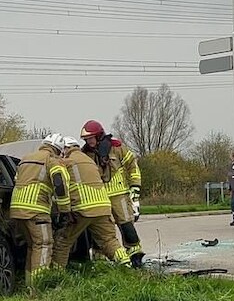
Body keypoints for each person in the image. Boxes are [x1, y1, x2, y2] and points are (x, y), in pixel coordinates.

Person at [51, 137, 132, 269]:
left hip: (82, 208)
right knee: (109, 241)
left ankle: (57, 274)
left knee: (63, 241)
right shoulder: (89, 161)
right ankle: (125, 264)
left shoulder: (65, 162)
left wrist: (63, 210)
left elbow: (60, 184)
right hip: (103, 207)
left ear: (66, 148)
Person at [79, 120, 145, 267]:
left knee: (126, 224)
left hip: (119, 194)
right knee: (101, 229)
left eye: (91, 138)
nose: (89, 142)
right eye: (86, 140)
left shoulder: (116, 147)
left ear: (99, 136)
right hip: (99, 197)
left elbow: (132, 166)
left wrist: (135, 187)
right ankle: (101, 259)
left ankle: (135, 253)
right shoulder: (85, 154)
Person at [8, 134, 71, 280]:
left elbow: (16, 180)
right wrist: (64, 210)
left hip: (17, 210)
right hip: (36, 210)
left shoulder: (25, 159)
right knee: (44, 244)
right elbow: (60, 185)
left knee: (33, 246)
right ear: (58, 149)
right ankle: (40, 285)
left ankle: (30, 285)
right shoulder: (52, 161)